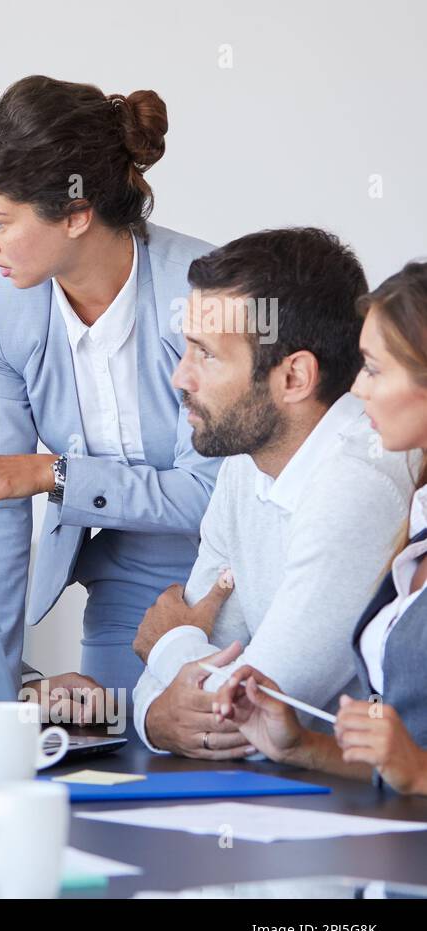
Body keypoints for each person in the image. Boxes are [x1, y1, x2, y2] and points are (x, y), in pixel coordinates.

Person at [0, 76, 220, 722]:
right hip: (118, 581)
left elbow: (208, 495)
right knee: (115, 753)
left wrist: (51, 474)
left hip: (234, 574)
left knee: (208, 758)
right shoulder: (1, 306)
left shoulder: (201, 294)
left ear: (77, 213)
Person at [132, 228, 413, 758]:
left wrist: (164, 644)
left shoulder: (359, 481)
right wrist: (155, 715)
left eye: (206, 354)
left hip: (362, 811)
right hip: (286, 795)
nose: (179, 376)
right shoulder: (246, 460)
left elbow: (254, 711)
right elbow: (197, 680)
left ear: (293, 378)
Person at [211, 260, 427, 792]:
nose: (356, 389)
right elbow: (396, 763)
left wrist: (419, 772)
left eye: (374, 369)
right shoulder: (418, 518)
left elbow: (412, 766)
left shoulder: (360, 484)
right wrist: (303, 746)